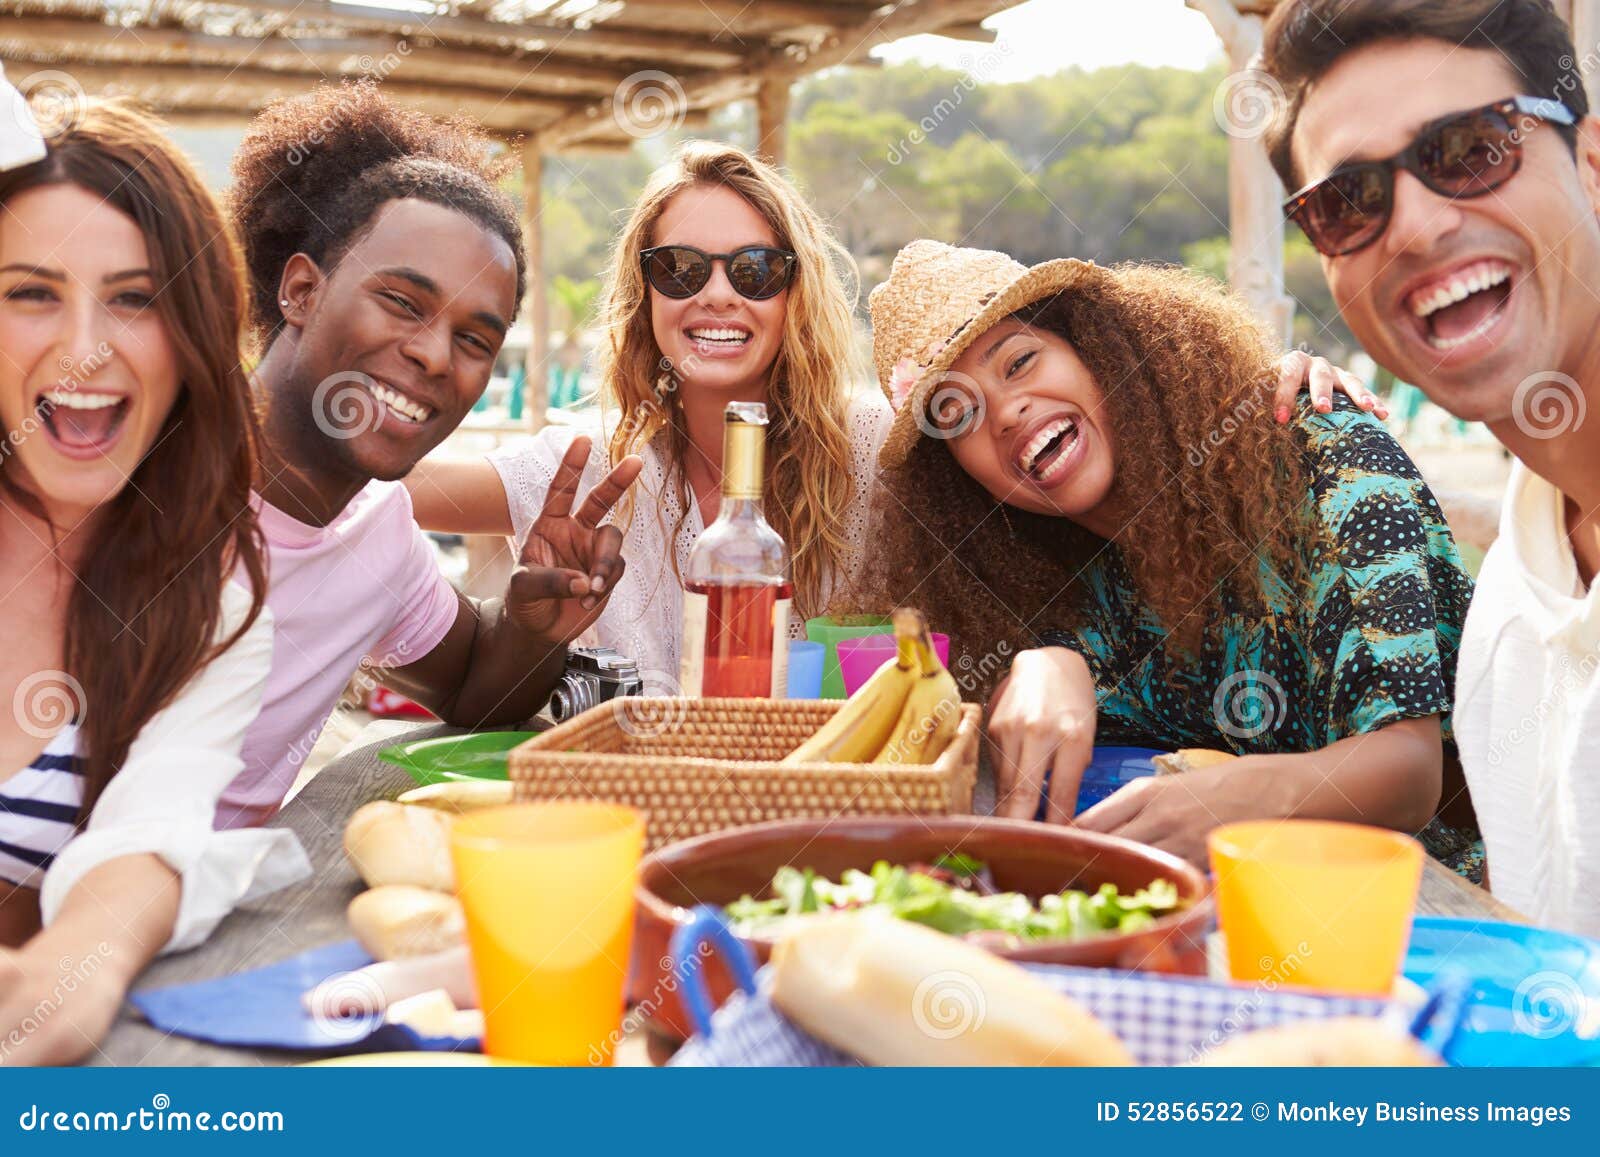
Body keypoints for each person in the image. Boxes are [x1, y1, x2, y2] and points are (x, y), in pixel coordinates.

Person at [865, 240, 1473, 867]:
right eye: (958, 414)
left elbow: (1411, 773)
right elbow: (1007, 729)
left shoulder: (1321, 451)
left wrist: (1224, 803)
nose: (1006, 412)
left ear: (1098, 348)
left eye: (1019, 363)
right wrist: (1037, 665)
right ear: (958, 482)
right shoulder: (1055, 573)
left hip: (1421, 911)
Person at [1258, 0, 1600, 932]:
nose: (1415, 226)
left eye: (1471, 150)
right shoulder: (1509, 620)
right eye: (1348, 202)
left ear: (1593, 167)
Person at [217, 84, 642, 827]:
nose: (433, 354)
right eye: (403, 302)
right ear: (301, 289)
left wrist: (533, 627)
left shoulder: (374, 531)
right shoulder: (137, 468)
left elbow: (477, 688)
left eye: (476, 339)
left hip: (210, 923)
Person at [0, 98, 307, 1064]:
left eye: (135, 297)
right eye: (29, 292)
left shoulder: (210, 599)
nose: (86, 345)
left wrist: (67, 971)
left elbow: (150, 834)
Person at [405, 140, 885, 687]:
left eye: (755, 270)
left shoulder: (874, 449)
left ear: (793, 294)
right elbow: (381, 489)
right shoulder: (591, 469)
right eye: (681, 270)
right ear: (646, 296)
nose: (719, 294)